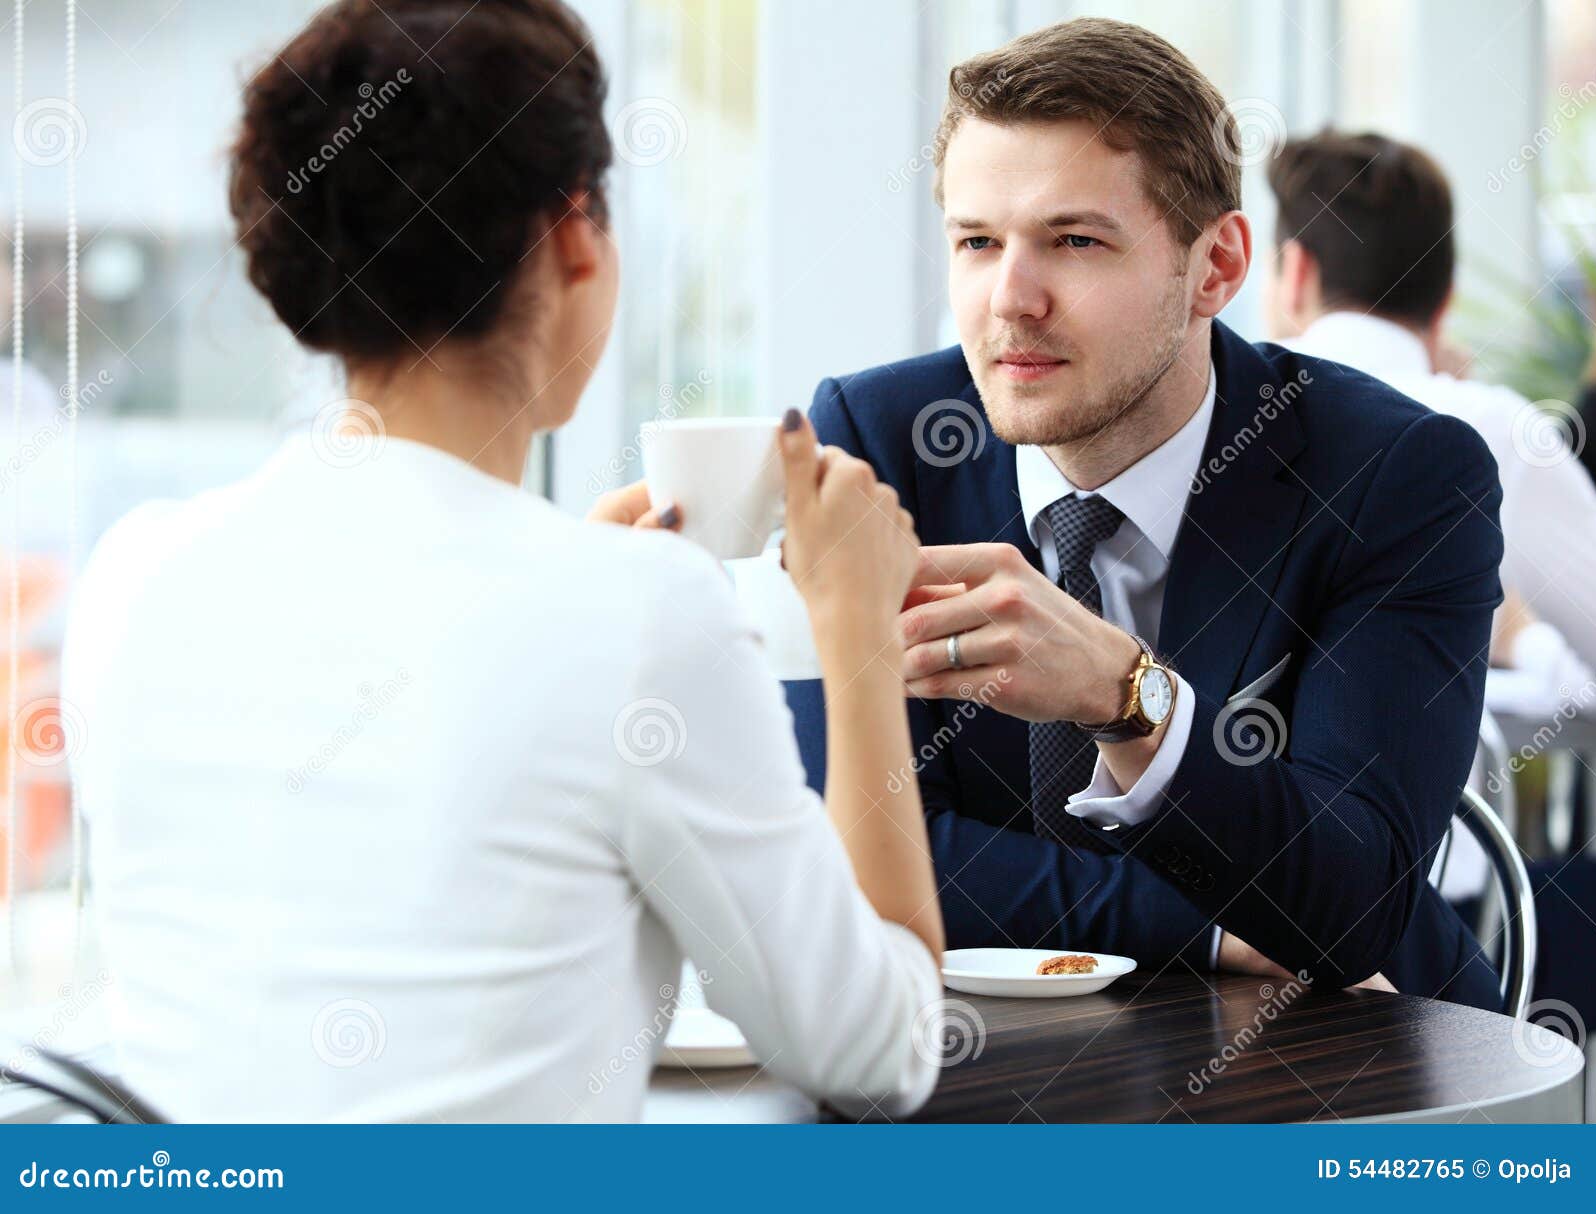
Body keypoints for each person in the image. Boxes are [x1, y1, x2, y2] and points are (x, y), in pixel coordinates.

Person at [62, 0, 944, 1123]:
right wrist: (857, 638)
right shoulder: (635, 617)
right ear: (574, 230)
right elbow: (882, 1051)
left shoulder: (137, 572)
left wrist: (577, 613)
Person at [787, 17, 1502, 1008]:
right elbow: (848, 842)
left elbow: (1349, 903)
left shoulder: (1393, 474)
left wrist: (1126, 697)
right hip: (976, 1072)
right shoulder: (879, 439)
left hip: (1344, 1066)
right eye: (976, 241)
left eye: (1073, 240)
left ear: (1215, 267)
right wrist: (1203, 925)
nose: (1010, 299)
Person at [1264, 130, 1596, 686]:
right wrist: (1522, 643)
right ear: (1445, 300)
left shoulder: (1224, 409)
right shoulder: (1498, 430)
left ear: (1295, 274)